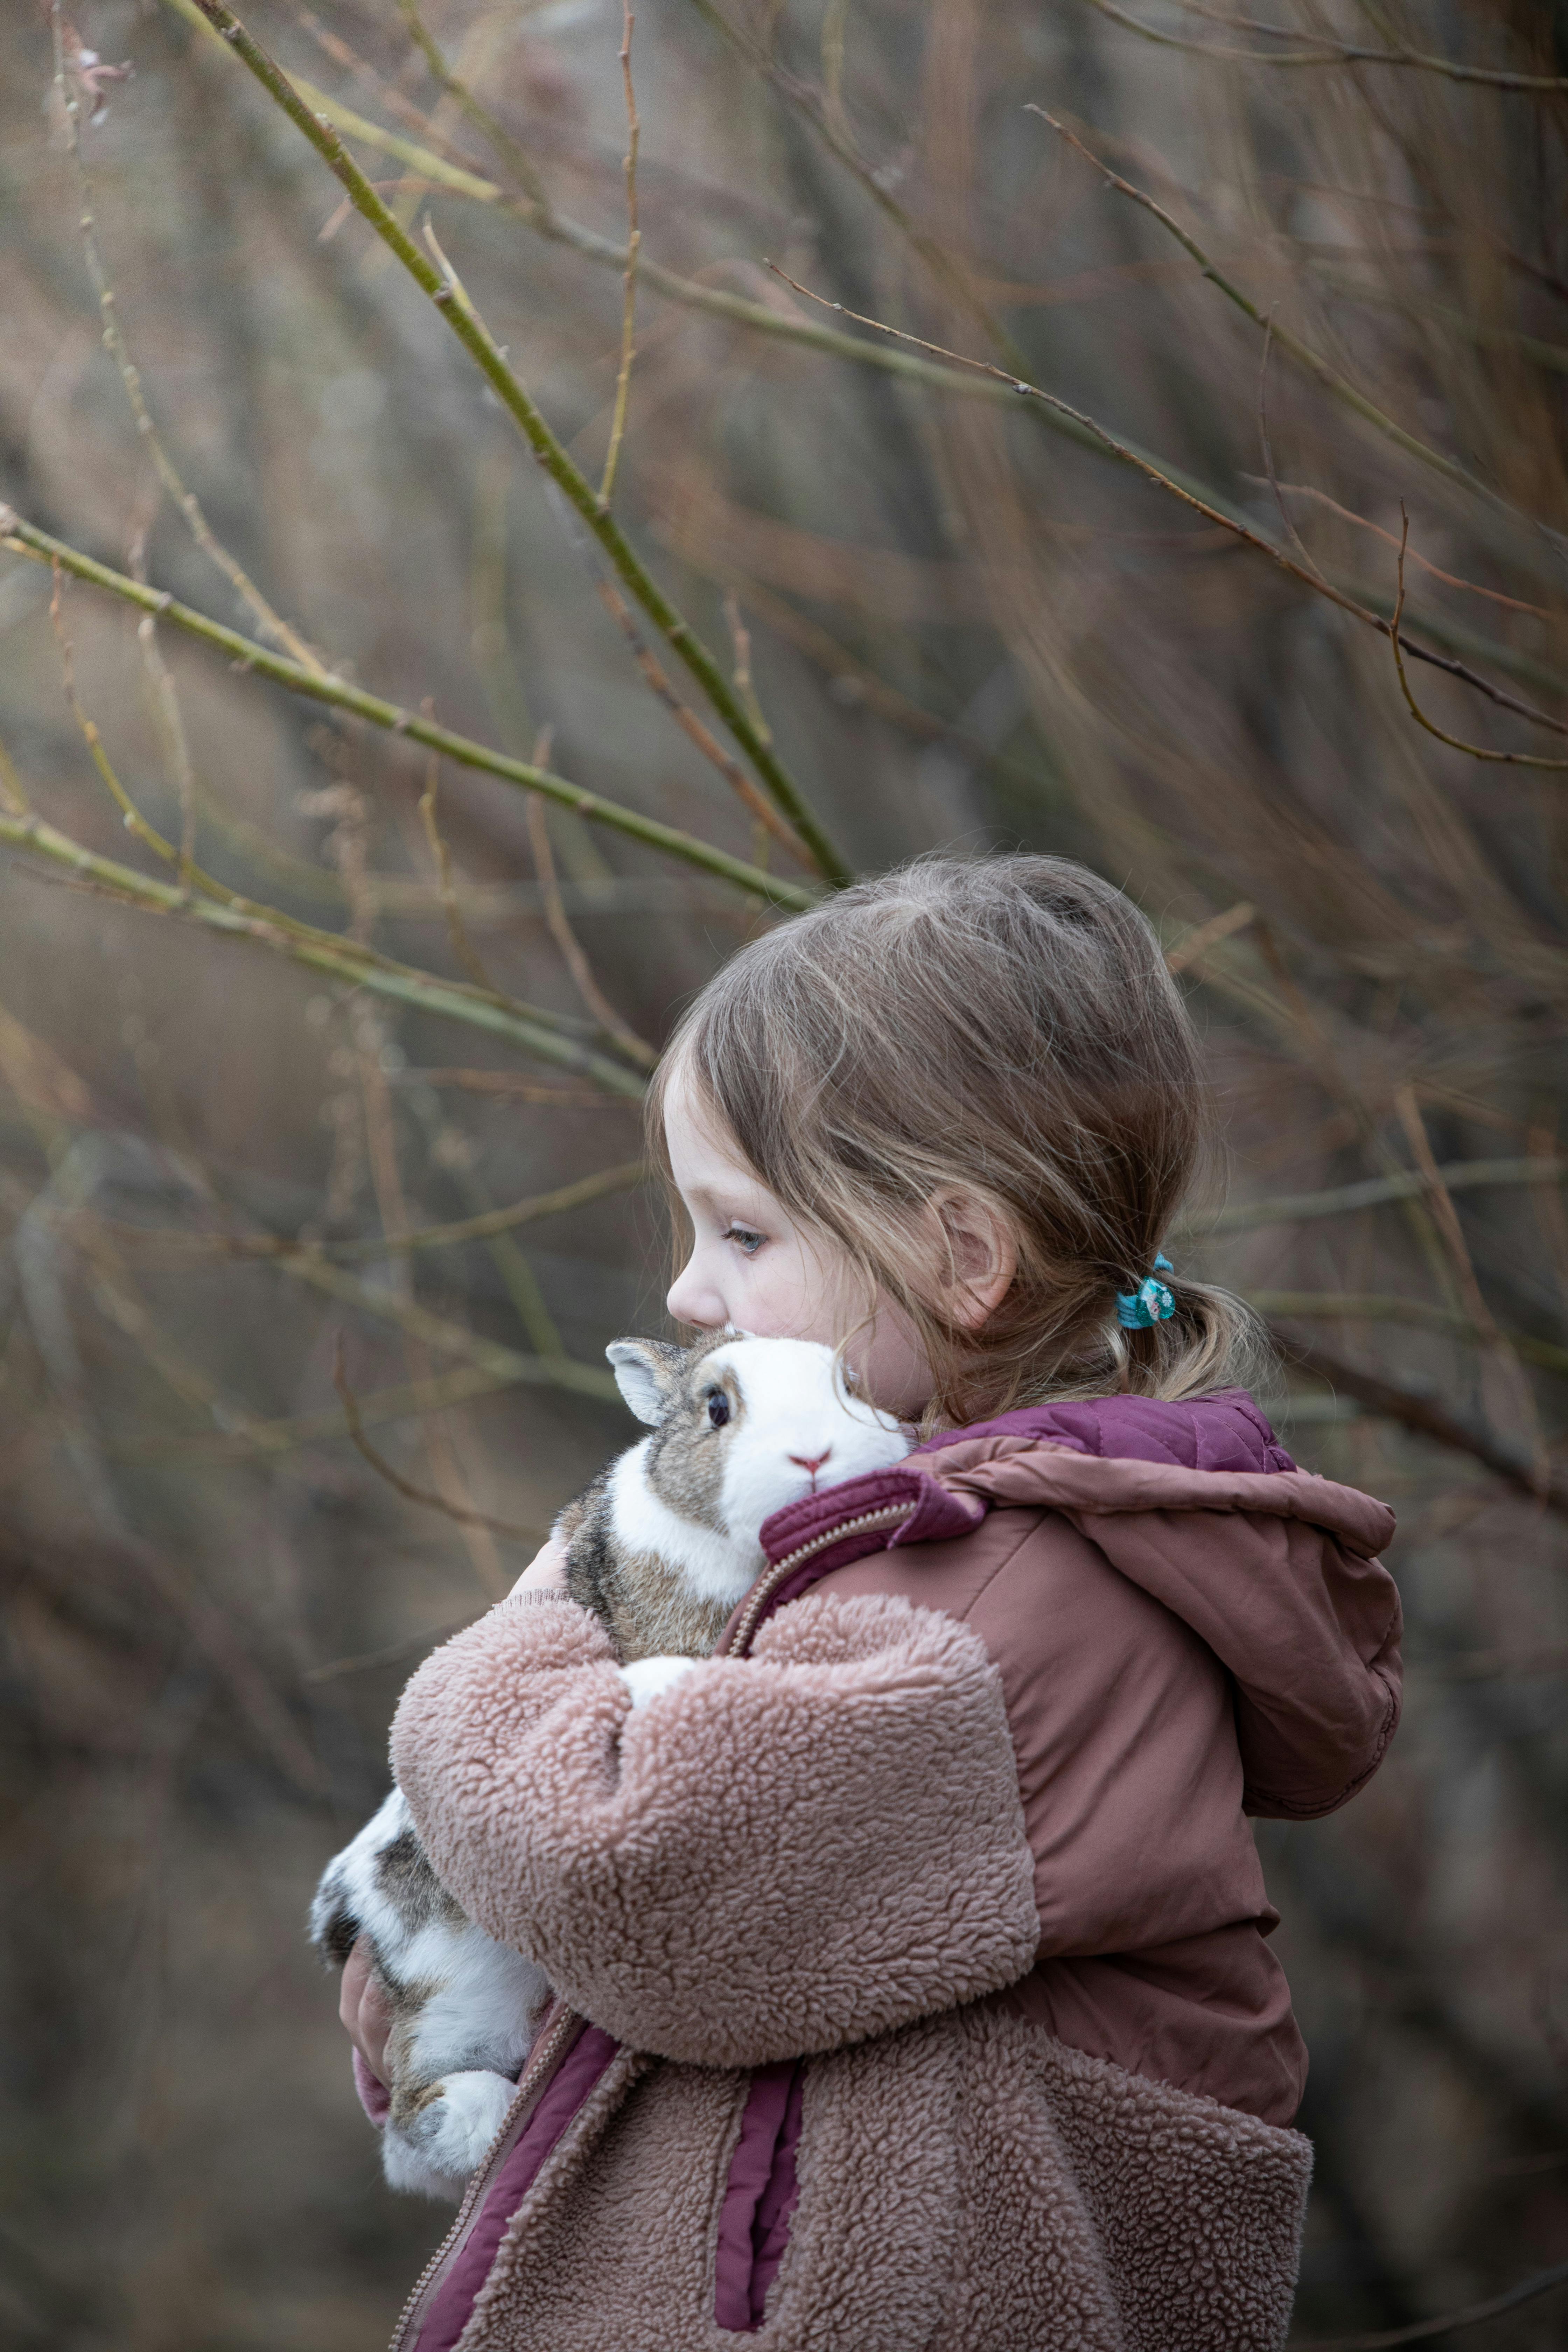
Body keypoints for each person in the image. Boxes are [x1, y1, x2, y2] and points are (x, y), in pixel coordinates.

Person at [341, 857, 1400, 2352]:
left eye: (744, 1233)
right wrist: (448, 1979)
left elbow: (632, 1876)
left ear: (960, 1258)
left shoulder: (1009, 1598)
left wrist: (518, 1632)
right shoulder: (914, 1557)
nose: (689, 1290)